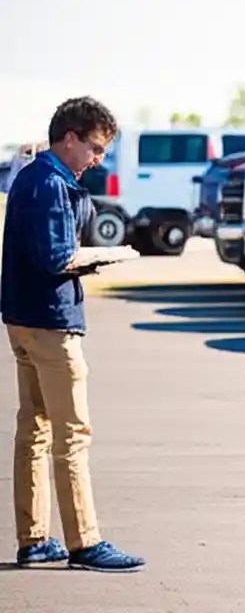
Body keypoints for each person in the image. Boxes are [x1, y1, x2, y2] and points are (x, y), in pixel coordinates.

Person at [2, 97, 145, 572]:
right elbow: (58, 256)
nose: (98, 160)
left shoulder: (35, 176)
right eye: (95, 149)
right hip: (50, 324)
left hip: (23, 318)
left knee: (35, 429)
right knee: (73, 433)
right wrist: (113, 256)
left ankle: (35, 538)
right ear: (70, 139)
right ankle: (84, 542)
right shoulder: (49, 184)